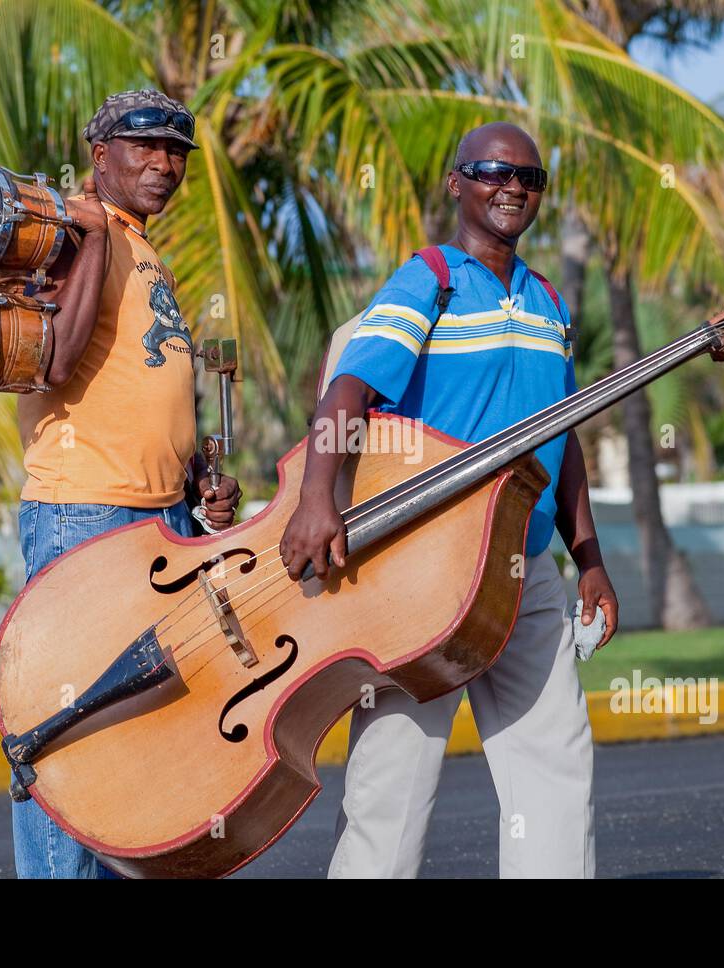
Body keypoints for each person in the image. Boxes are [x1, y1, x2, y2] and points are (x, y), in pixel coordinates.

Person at [279, 121, 619, 878]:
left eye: (529, 179)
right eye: (494, 172)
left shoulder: (547, 301)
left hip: (524, 573)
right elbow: (347, 390)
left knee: (555, 768)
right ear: (457, 183)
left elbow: (566, 445)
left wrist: (588, 559)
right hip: (423, 575)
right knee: (393, 781)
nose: (513, 189)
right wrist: (314, 501)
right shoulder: (428, 277)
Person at [12, 88, 242, 879]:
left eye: (177, 150)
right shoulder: (70, 234)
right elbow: (55, 361)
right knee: (70, 729)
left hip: (158, 516)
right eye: (143, 145)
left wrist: (199, 475)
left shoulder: (140, 245)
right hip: (85, 509)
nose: (164, 163)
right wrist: (95, 240)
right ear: (99, 153)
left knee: (138, 734)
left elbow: (139, 378)